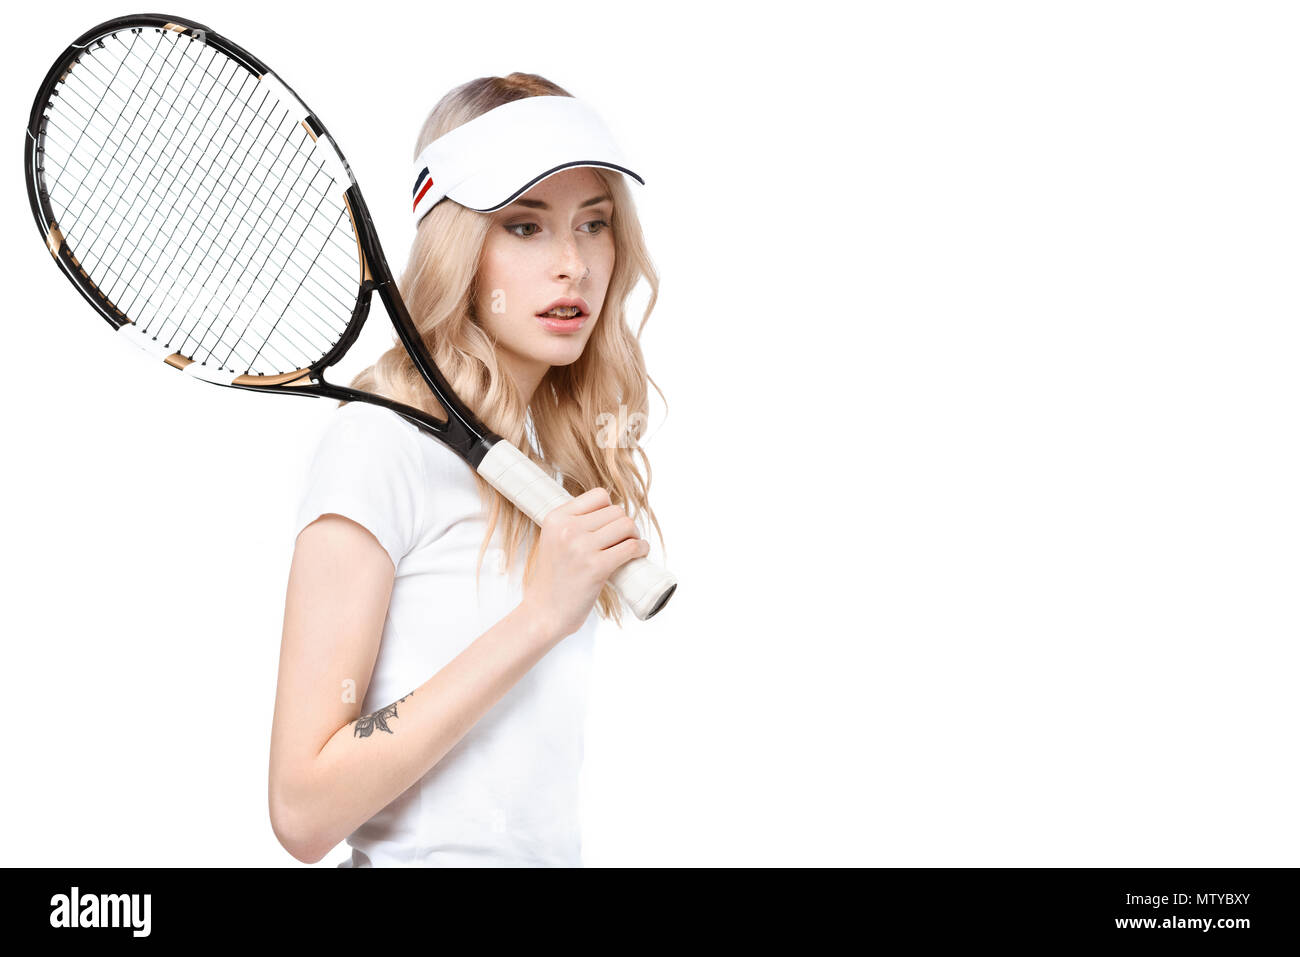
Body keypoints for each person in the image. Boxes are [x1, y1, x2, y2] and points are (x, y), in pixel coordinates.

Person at [267, 73, 667, 867]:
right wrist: (538, 614)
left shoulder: (556, 455)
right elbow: (301, 808)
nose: (574, 266)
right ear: (458, 247)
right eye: (525, 227)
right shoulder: (377, 448)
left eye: (594, 224)